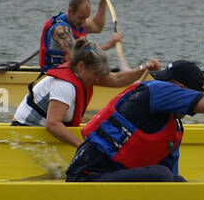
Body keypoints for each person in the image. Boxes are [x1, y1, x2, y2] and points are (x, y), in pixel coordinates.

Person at [65, 60, 204, 182]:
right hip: (87, 177)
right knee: (161, 175)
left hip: (113, 177)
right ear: (180, 89)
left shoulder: (174, 128)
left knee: (175, 179)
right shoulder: (158, 91)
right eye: (196, 97)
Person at [13, 38, 162, 147]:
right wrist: (83, 146)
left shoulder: (84, 74)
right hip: (25, 134)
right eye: (96, 74)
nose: (98, 79)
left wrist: (145, 67)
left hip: (45, 134)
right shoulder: (64, 86)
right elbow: (52, 124)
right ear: (81, 66)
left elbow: (117, 79)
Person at [40, 0, 122, 71]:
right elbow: (76, 56)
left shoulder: (78, 22)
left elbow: (97, 26)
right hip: (53, 75)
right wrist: (108, 45)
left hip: (70, 71)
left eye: (86, 18)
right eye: (81, 18)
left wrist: (103, 0)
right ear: (70, 12)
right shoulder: (61, 30)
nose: (83, 23)